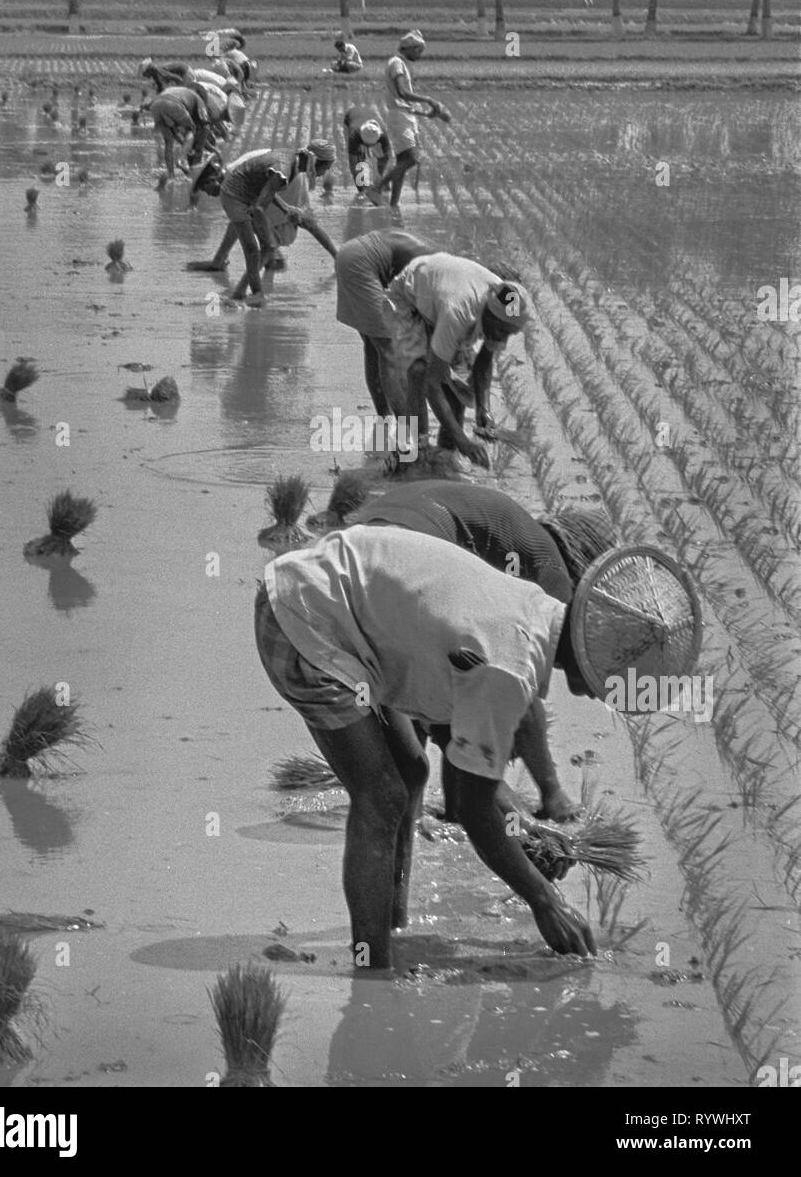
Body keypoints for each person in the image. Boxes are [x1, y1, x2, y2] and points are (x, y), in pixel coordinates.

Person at [255, 523, 599, 969]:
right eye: (609, 677)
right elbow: (472, 812)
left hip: (338, 605)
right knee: (381, 796)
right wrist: (545, 900)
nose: (601, 693)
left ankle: (389, 924)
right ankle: (372, 971)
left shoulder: (533, 608)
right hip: (304, 616)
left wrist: (523, 830)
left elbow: (459, 774)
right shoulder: (511, 667)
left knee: (412, 771)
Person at [353, 482, 617, 822]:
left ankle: (428, 818)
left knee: (418, 716)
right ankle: (467, 810)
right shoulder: (553, 577)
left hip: (371, 537)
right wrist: (552, 793)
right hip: (410, 544)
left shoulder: (521, 544)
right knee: (465, 696)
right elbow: (521, 692)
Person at [384, 252, 530, 468]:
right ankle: (413, 451)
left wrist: (484, 409)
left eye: (509, 333)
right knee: (419, 371)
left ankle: (445, 456)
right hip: (410, 296)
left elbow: (483, 363)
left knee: (457, 390)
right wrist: (464, 441)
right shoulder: (458, 312)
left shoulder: (507, 301)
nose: (502, 339)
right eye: (500, 331)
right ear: (488, 314)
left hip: (443, 297)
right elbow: (433, 384)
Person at [190, 140, 338, 305]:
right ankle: (249, 291)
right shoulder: (286, 164)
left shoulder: (239, 175)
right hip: (266, 187)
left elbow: (260, 204)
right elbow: (256, 205)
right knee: (266, 244)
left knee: (272, 242)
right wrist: (283, 211)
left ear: (212, 179)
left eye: (205, 188)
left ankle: (244, 293)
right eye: (326, 168)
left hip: (274, 186)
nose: (208, 193)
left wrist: (282, 212)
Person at [335, 230, 435, 415]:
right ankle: (406, 426)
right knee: (388, 348)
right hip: (362, 264)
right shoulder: (434, 273)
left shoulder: (441, 266)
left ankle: (385, 415)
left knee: (374, 346)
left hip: (353, 254)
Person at [376, 30, 450, 209]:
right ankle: (377, 188)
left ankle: (393, 205)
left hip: (404, 115)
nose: (420, 54)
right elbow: (402, 93)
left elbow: (401, 100)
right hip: (399, 117)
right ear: (408, 48)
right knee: (412, 158)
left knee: (402, 162)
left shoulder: (401, 64)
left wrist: (427, 113)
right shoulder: (397, 64)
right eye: (418, 51)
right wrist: (428, 100)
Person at [149, 85, 212, 178]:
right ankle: (182, 160)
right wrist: (198, 146)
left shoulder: (182, 92)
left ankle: (171, 174)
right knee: (191, 129)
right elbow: (205, 124)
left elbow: (174, 132)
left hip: (155, 105)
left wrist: (185, 144)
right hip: (172, 103)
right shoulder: (199, 99)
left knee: (168, 141)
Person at [343, 106, 391, 197]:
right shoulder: (354, 135)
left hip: (371, 113)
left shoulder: (383, 134)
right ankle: (362, 187)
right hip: (350, 116)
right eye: (366, 144)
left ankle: (382, 184)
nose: (368, 146)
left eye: (371, 144)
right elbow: (353, 166)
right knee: (359, 160)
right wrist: (361, 190)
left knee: (381, 159)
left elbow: (387, 157)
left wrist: (380, 176)